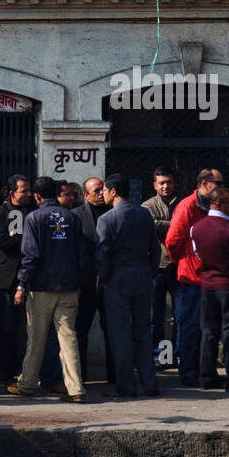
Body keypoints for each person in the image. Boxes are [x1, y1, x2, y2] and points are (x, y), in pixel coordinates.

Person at [9, 176, 91, 403]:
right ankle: (76, 388)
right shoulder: (72, 218)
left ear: (36, 196)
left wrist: (22, 284)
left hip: (41, 288)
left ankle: (26, 385)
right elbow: (82, 255)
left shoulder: (34, 218)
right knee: (68, 338)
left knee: (36, 338)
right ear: (55, 193)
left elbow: (30, 256)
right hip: (68, 287)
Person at [97, 173, 161, 398]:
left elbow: (103, 255)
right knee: (143, 332)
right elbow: (155, 248)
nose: (102, 194)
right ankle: (150, 382)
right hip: (143, 278)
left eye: (104, 190)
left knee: (121, 334)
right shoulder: (144, 214)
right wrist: (150, 271)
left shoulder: (106, 219)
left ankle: (126, 386)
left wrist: (103, 279)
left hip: (118, 280)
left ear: (113, 192)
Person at [166, 168, 225, 388]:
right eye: (217, 182)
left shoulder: (208, 206)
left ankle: (204, 371)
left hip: (207, 277)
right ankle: (189, 372)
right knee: (190, 327)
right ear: (204, 183)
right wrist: (182, 262)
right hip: (191, 277)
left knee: (207, 329)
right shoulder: (187, 206)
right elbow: (172, 240)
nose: (221, 186)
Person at [191, 185, 229, 393]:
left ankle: (206, 376)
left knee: (208, 332)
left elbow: (198, 254)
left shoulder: (196, 228)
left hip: (207, 286)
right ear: (219, 204)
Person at [0, 175, 33, 382]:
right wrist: (23, 238)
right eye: (23, 190)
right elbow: (0, 242)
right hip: (7, 278)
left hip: (31, 277)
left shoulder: (32, 211)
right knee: (7, 327)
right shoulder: (1, 213)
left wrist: (15, 237)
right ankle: (7, 370)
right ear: (11, 193)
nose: (28, 194)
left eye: (29, 190)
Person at [74, 176, 114, 385]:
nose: (101, 193)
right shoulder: (76, 217)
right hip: (86, 283)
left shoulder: (113, 213)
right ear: (85, 194)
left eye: (103, 189)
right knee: (80, 330)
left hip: (109, 282)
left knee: (112, 330)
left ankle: (114, 376)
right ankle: (81, 374)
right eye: (96, 190)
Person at [142, 167, 180, 370]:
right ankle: (159, 356)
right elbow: (150, 225)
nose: (166, 186)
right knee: (155, 315)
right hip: (157, 266)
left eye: (169, 182)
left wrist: (165, 225)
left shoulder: (181, 204)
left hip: (178, 265)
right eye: (161, 183)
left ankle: (173, 354)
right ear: (155, 185)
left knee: (176, 315)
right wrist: (175, 224)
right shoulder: (147, 206)